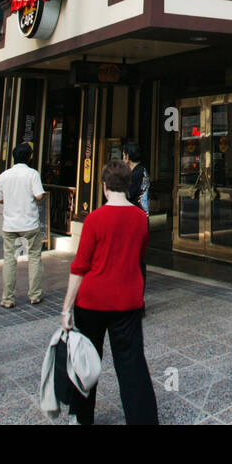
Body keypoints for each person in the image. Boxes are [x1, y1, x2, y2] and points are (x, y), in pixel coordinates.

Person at [61, 159, 158, 425]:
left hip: (92, 302)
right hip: (127, 301)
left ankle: (81, 416)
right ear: (128, 185)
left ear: (104, 187)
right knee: (132, 365)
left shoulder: (94, 219)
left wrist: (67, 307)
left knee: (86, 360)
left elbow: (80, 266)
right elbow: (139, 255)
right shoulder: (140, 218)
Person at [0, 142, 46, 308]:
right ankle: (35, 295)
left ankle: (8, 299)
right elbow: (39, 196)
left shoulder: (3, 176)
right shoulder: (32, 174)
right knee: (34, 257)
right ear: (29, 158)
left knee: (10, 259)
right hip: (29, 223)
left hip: (10, 225)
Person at [123, 142, 150, 214]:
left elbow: (128, 195)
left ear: (127, 157)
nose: (123, 159)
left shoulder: (136, 174)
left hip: (137, 213)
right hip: (142, 211)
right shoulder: (142, 170)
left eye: (123, 155)